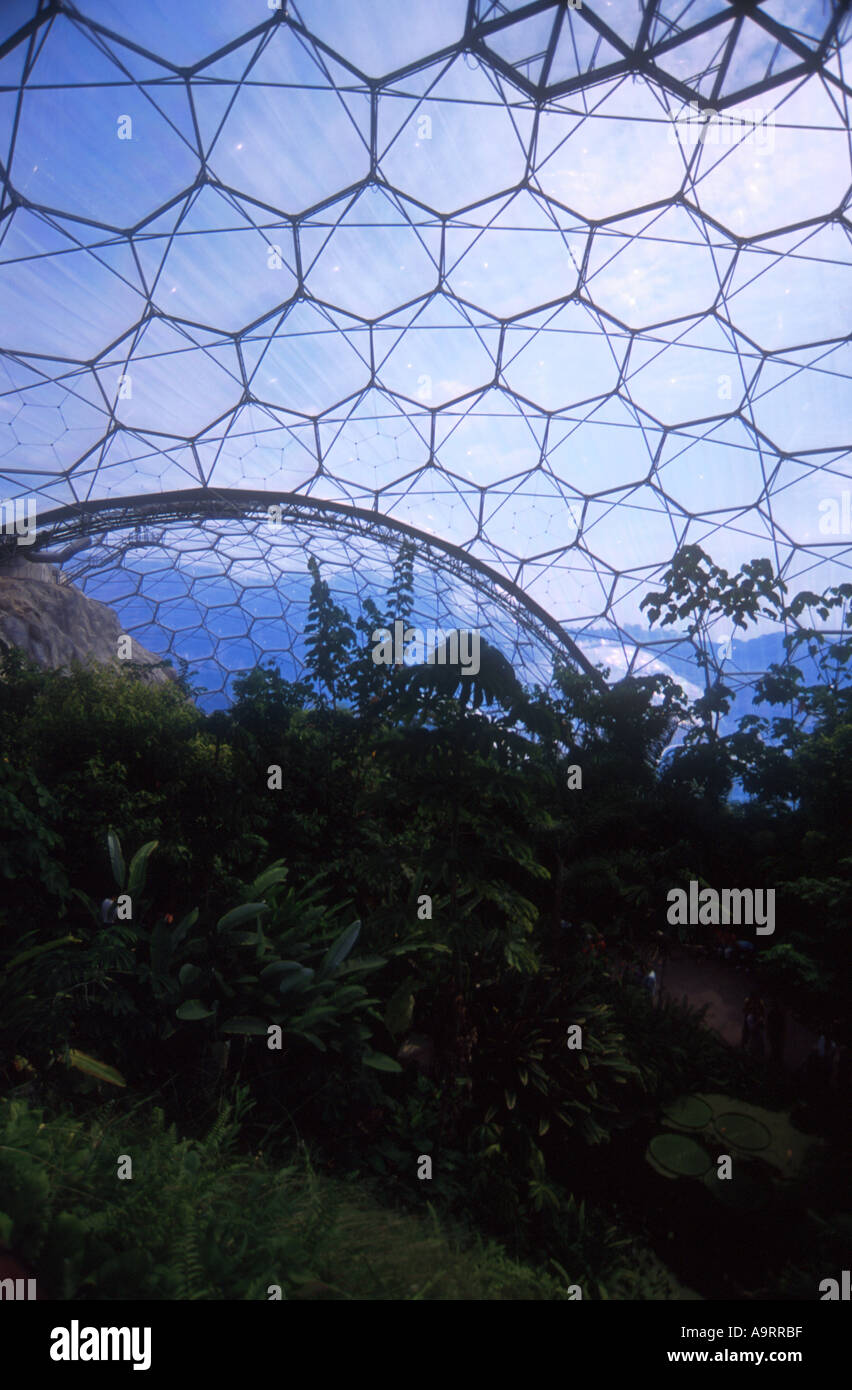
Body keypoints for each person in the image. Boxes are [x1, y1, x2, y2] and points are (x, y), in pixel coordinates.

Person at [767, 999, 786, 1066]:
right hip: (774, 1034)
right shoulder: (774, 1014)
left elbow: (782, 1026)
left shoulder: (776, 1015)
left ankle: (775, 1061)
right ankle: (775, 1061)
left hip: (776, 1035)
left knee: (776, 1048)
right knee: (775, 1048)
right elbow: (768, 1025)